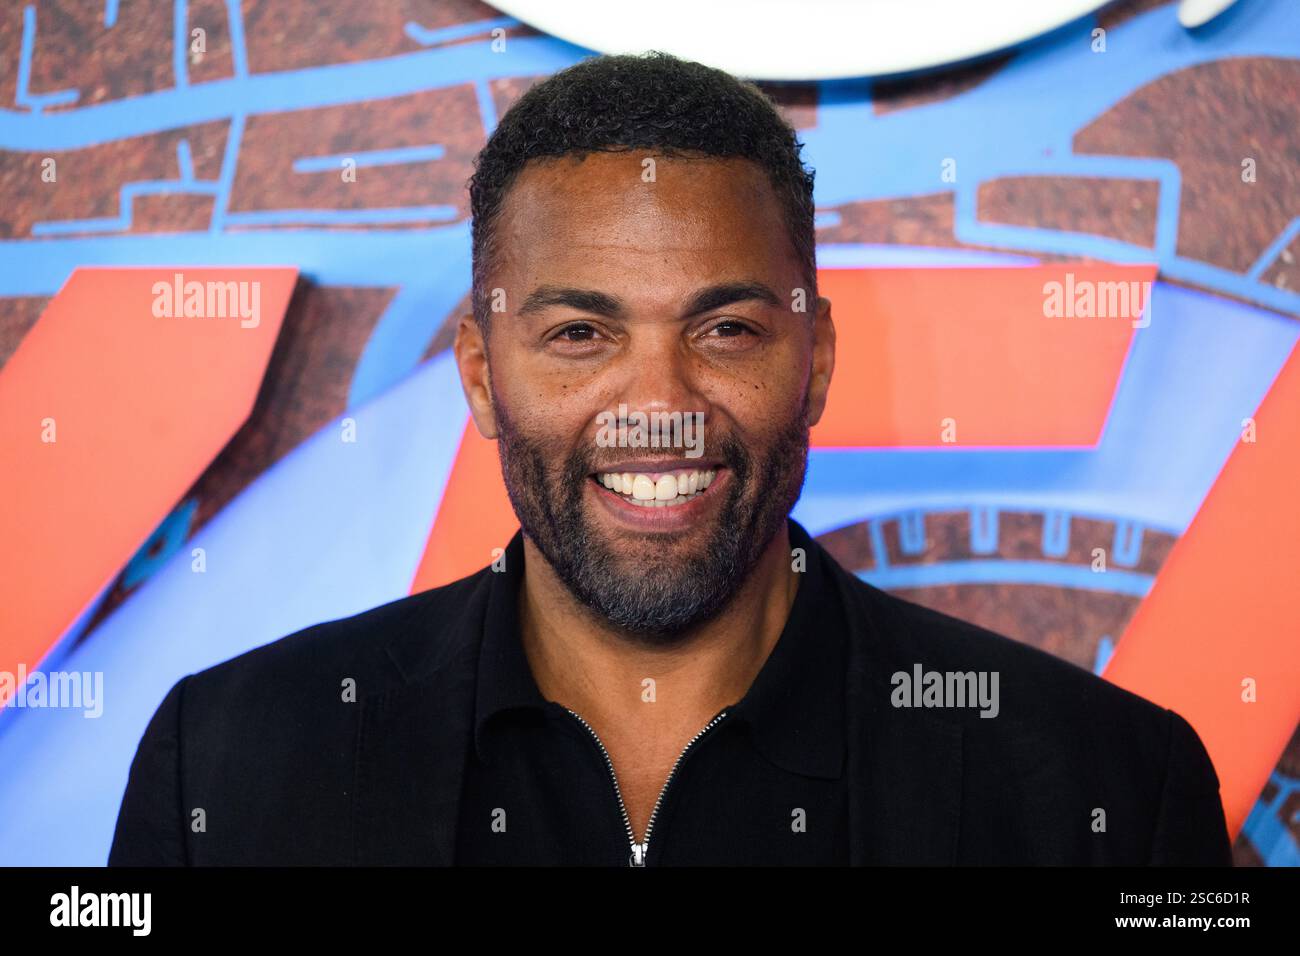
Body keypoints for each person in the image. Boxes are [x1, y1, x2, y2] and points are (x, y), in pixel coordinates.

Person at [109, 51, 1232, 866]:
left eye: (724, 328)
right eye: (579, 335)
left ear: (817, 359)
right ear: (481, 372)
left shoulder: (1105, 788)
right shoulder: (228, 764)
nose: (657, 404)